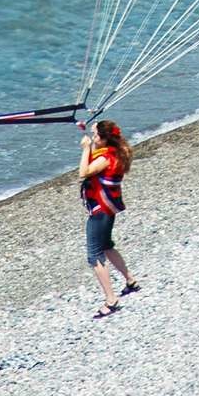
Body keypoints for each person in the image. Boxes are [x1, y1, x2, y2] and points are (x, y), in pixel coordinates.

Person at [79, 118, 139, 318]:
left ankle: (111, 300)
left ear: (105, 140)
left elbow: (83, 172)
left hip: (101, 211)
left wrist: (86, 147)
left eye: (96, 135)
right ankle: (130, 280)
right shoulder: (113, 152)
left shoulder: (105, 158)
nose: (93, 137)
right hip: (108, 209)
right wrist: (89, 127)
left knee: (94, 255)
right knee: (106, 245)